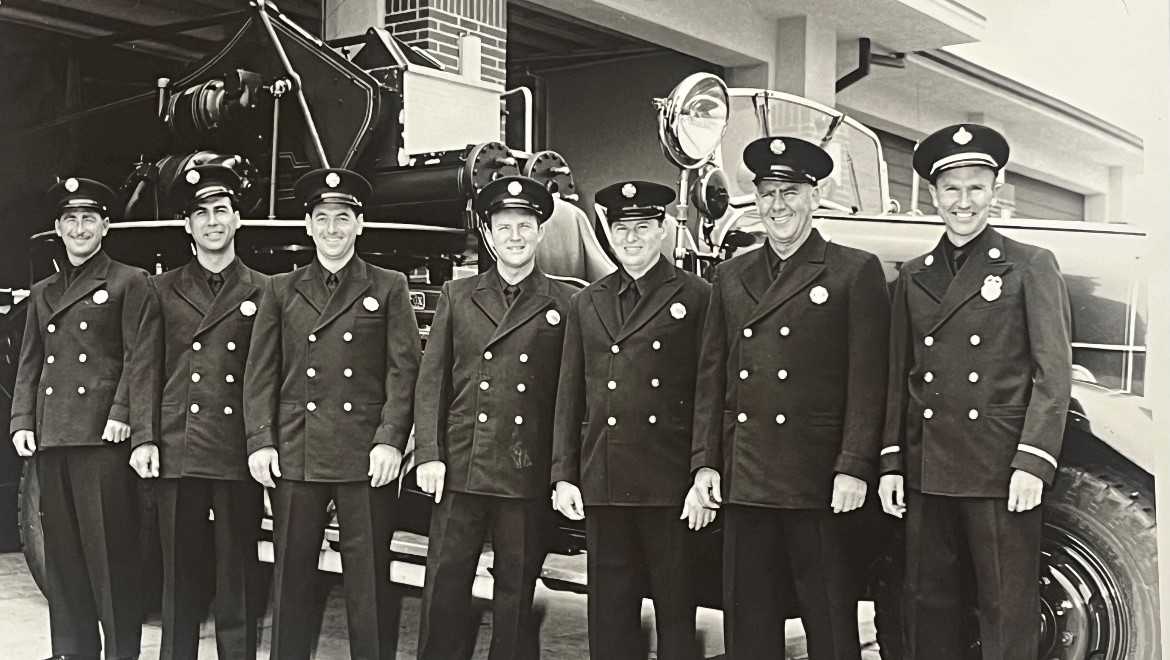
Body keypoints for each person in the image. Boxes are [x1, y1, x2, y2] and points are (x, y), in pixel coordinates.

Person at [689, 137, 890, 659]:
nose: (779, 205)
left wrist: (854, 465)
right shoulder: (732, 275)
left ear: (815, 195)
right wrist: (706, 463)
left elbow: (870, 381)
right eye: (768, 192)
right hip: (747, 477)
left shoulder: (853, 270)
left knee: (828, 621)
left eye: (791, 192)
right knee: (748, 622)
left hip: (818, 480)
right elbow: (713, 377)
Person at [877, 124, 1071, 659]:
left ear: (995, 192)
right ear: (934, 196)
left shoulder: (1030, 264)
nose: (963, 202)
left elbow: (1053, 372)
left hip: (998, 468)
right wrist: (892, 462)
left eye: (976, 188)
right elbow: (900, 375)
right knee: (926, 603)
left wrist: (1033, 461)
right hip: (929, 469)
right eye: (952, 190)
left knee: (1006, 608)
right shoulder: (914, 275)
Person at [243, 167, 421, 660]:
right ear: (307, 225)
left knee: (368, 582)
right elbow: (260, 372)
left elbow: (403, 372)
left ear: (360, 225)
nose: (332, 229)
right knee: (292, 578)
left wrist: (391, 439)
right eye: (322, 218)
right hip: (297, 453)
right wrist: (260, 441)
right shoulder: (280, 289)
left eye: (342, 219)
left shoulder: (388, 286)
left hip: (364, 457)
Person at [413, 175, 576, 660]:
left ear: (541, 231)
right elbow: (432, 381)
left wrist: (560, 472)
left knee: (516, 592)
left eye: (525, 225)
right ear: (487, 233)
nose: (516, 237)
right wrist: (428, 454)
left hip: (524, 469)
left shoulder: (565, 303)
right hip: (461, 466)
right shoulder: (458, 296)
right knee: (444, 587)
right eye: (504, 227)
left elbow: (569, 399)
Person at [550, 180, 711, 660]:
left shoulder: (698, 295)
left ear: (662, 229)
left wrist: (703, 475)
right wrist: (564, 475)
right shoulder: (588, 302)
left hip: (669, 484)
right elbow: (570, 396)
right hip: (605, 480)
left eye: (643, 228)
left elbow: (710, 391)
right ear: (609, 234)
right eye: (622, 230)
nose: (632, 239)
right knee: (609, 614)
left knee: (676, 613)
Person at [11, 177, 160, 660]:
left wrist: (123, 415)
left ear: (105, 226)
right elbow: (31, 362)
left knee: (111, 558)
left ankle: (121, 652)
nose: (79, 228)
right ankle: (72, 651)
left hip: (101, 439)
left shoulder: (128, 281)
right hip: (54, 436)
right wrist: (21, 421)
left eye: (89, 219)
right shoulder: (42, 292)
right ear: (58, 228)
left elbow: (140, 358)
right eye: (71, 220)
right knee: (65, 558)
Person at [129, 164, 268, 660]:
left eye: (221, 211)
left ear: (237, 220)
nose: (212, 221)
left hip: (237, 449)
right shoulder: (159, 289)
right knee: (179, 573)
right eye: (201, 213)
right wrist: (144, 436)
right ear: (187, 226)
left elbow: (269, 376)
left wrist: (264, 444)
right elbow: (144, 366)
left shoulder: (264, 289)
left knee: (239, 572)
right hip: (177, 446)